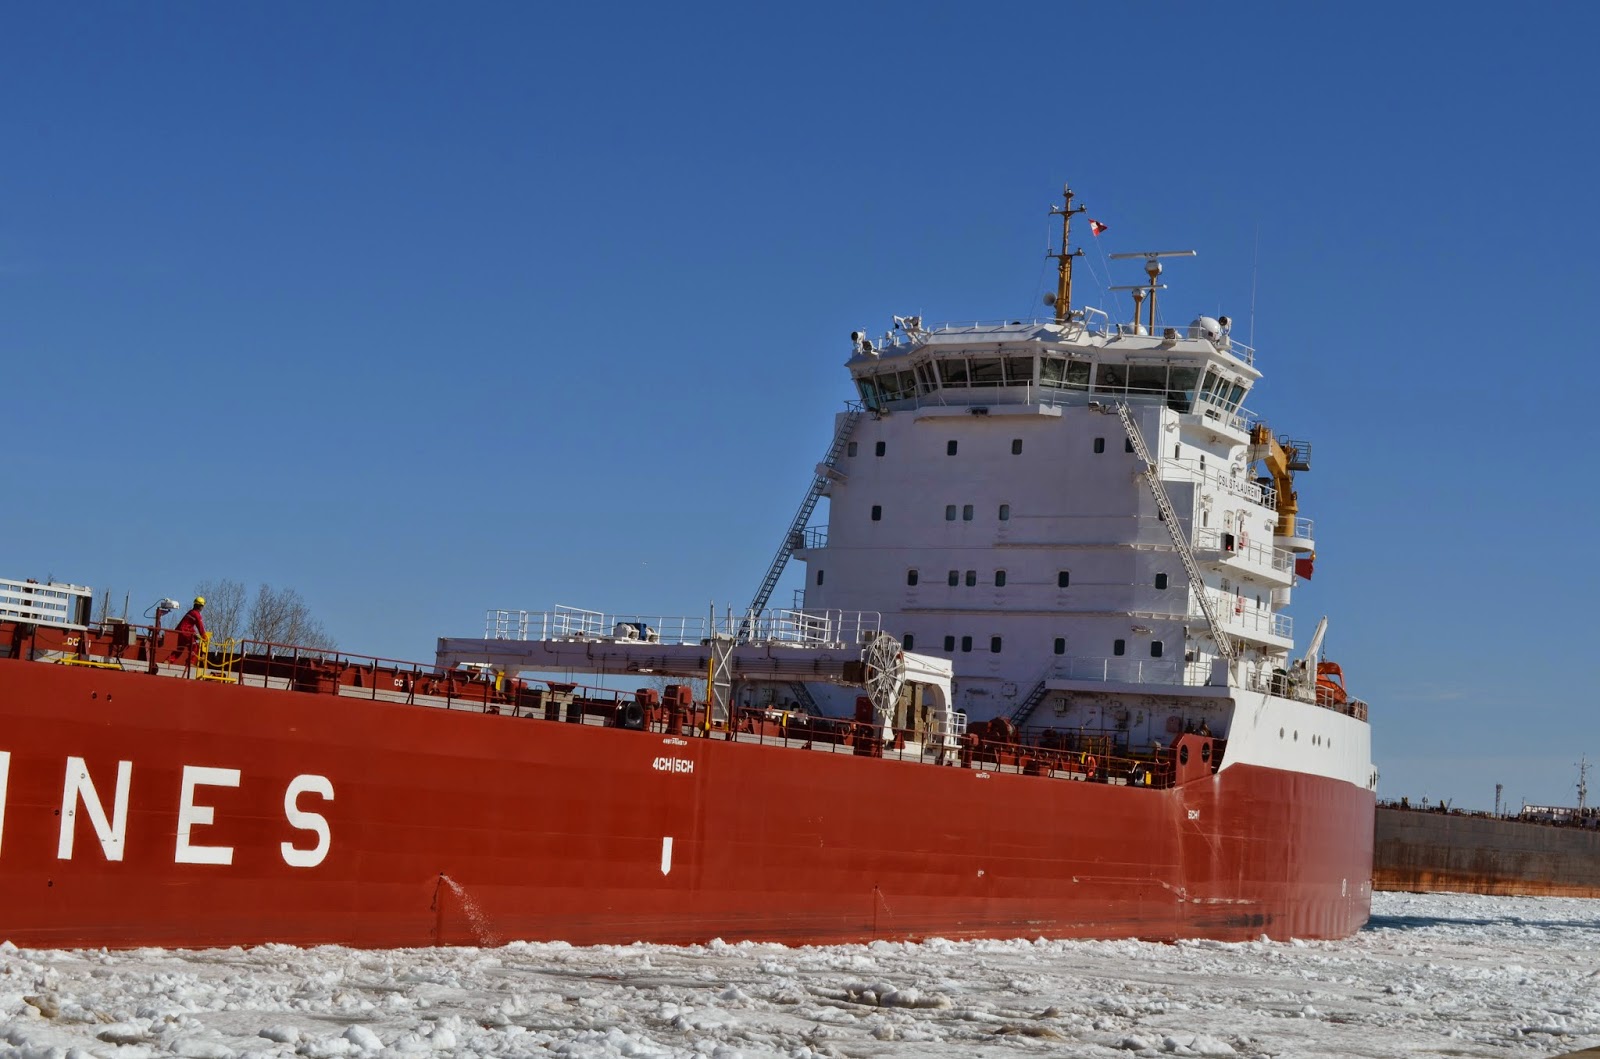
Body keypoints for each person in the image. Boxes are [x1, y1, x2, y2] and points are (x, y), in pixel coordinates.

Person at [168, 596, 207, 669]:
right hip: (186, 632)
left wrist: (195, 634)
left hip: (181, 631)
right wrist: (204, 637)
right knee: (195, 646)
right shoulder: (196, 614)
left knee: (180, 648)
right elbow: (200, 626)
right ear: (199, 606)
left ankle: (168, 661)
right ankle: (190, 663)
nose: (202, 608)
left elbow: (187, 624)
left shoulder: (191, 612)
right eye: (202, 606)